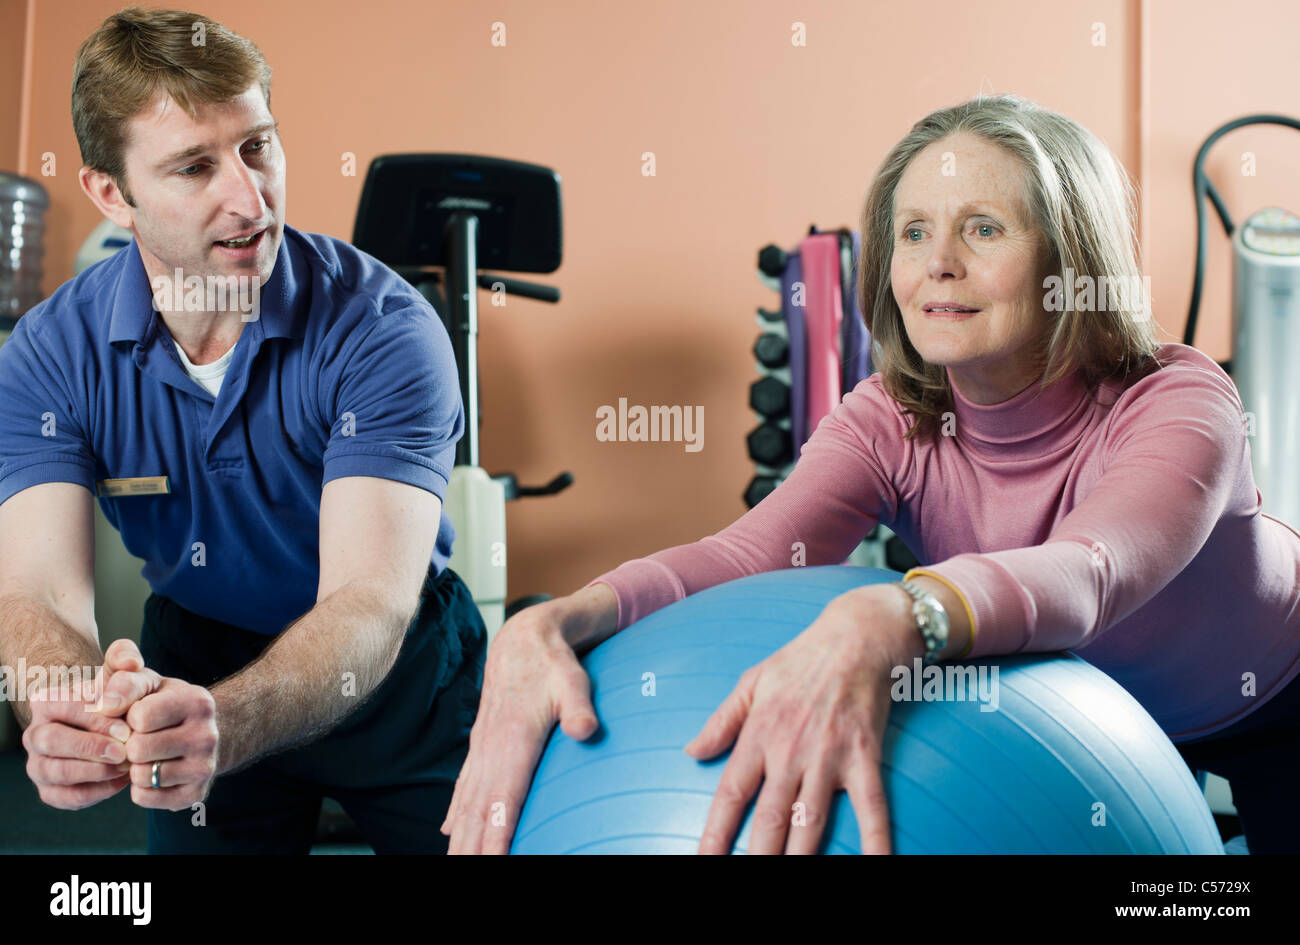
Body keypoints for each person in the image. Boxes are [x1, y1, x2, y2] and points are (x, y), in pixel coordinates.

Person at [444, 94, 1300, 855]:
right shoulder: (890, 417)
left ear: (1070, 261)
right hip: (1087, 721)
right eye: (916, 230)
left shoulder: (1179, 399)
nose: (939, 263)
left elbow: (1093, 570)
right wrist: (558, 619)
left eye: (985, 228)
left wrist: (895, 605)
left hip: (1272, 704)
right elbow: (750, 557)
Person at [0, 7, 484, 854]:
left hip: (398, 673)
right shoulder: (50, 353)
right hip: (194, 653)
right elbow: (33, 592)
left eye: (257, 146)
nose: (249, 197)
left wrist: (231, 717)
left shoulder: (385, 329)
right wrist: (71, 704)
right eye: (194, 166)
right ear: (112, 194)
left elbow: (367, 600)